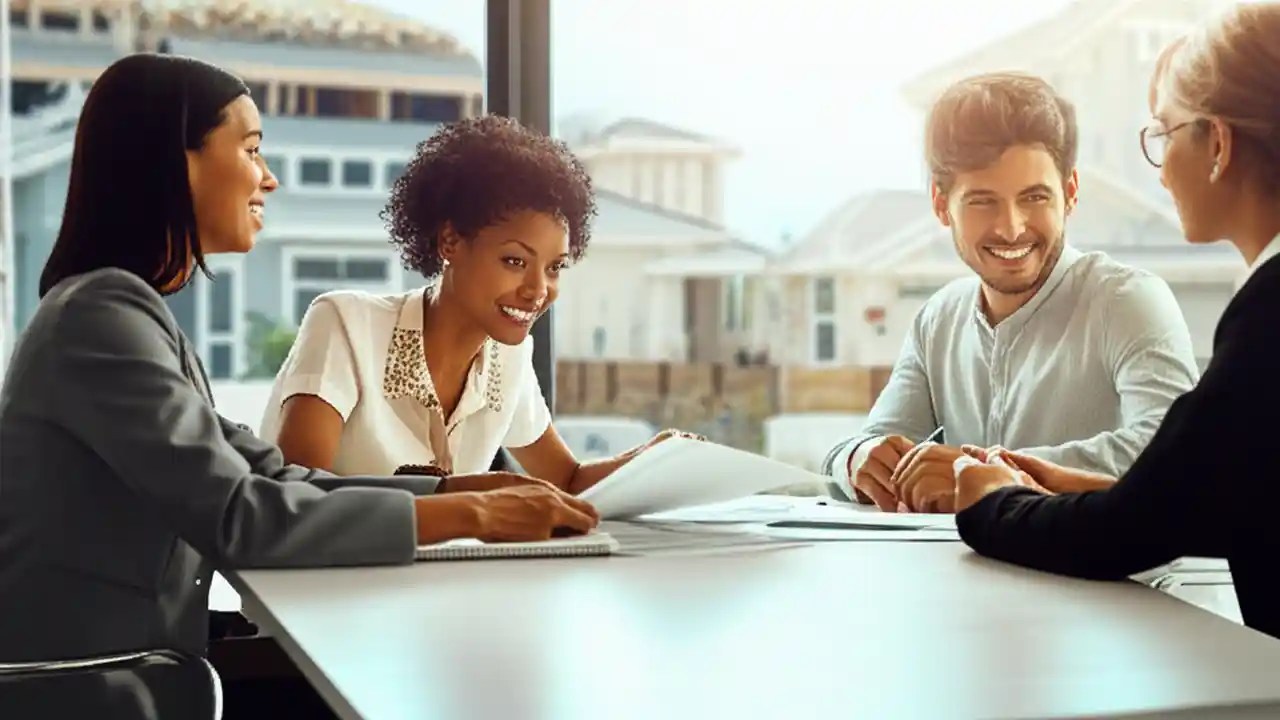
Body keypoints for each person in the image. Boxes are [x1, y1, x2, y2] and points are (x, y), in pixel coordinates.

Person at [0, 54, 600, 669]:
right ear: (176, 162)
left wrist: (456, 488)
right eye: (251, 150)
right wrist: (470, 513)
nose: (269, 179)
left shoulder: (123, 317)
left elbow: (271, 475)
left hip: (145, 668)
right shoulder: (100, 319)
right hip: (89, 687)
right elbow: (240, 516)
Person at [954, 2, 1280, 640]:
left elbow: (1126, 536)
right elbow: (1215, 504)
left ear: (1218, 144)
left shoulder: (1269, 316)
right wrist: (1089, 491)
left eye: (1164, 133)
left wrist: (990, 505)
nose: (1161, 170)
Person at [821, 72, 1198, 513]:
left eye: (1034, 198)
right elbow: (870, 446)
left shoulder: (1127, 302)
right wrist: (858, 459)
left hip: (1095, 560)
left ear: (1070, 193)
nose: (1012, 228)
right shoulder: (938, 321)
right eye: (983, 201)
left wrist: (980, 474)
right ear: (941, 205)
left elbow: (1171, 457)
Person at [260, 115, 696, 491]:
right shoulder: (346, 324)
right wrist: (462, 498)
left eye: (554, 268)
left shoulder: (507, 357)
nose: (538, 289)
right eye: (514, 261)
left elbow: (566, 479)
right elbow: (301, 491)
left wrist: (655, 456)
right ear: (450, 241)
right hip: (330, 567)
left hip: (445, 566)